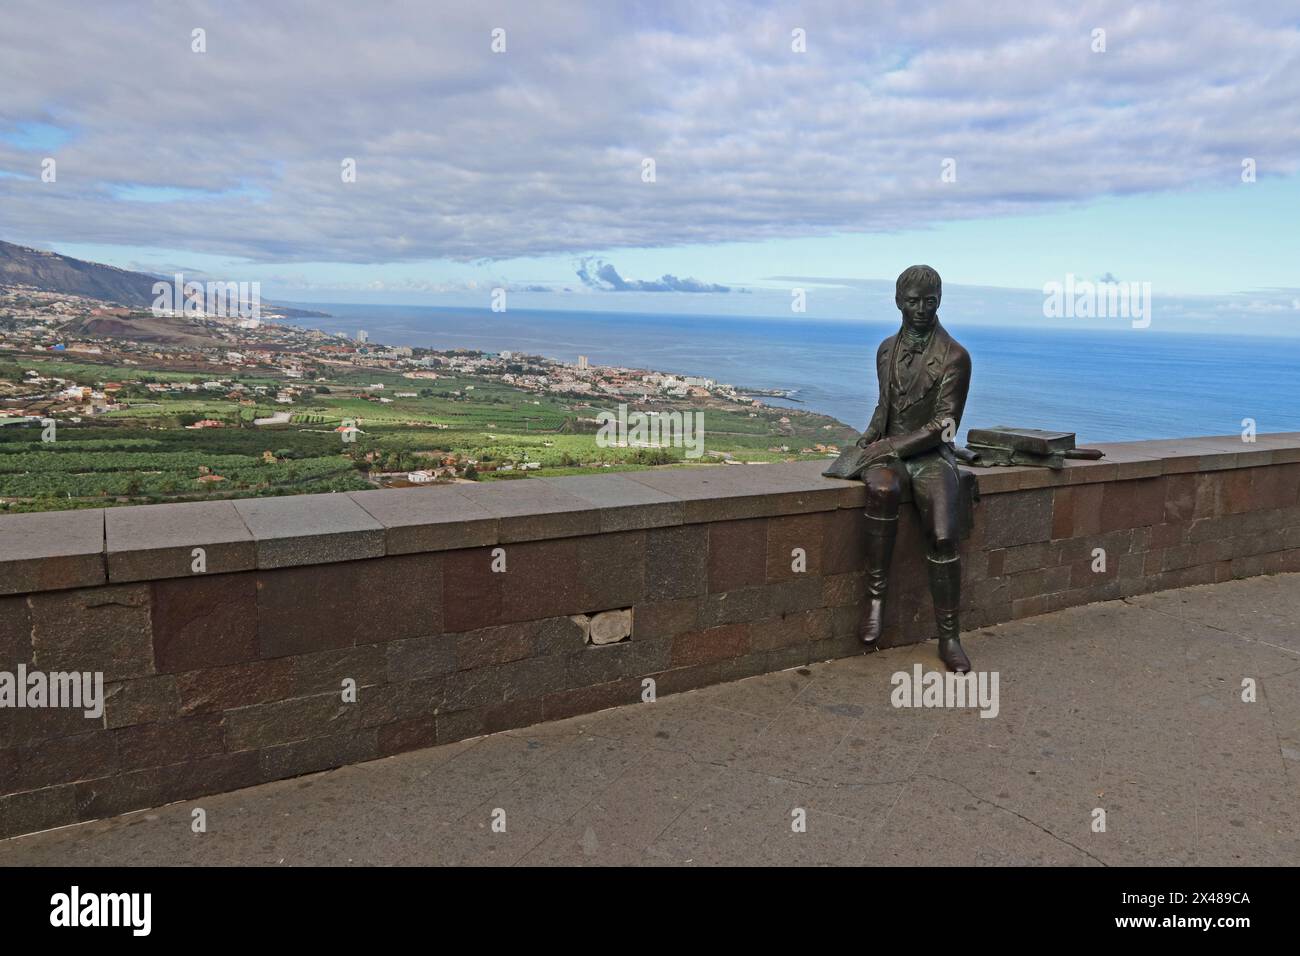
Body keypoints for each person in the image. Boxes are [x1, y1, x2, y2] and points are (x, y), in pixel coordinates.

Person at [853, 264, 972, 673]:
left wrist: (891, 444)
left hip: (930, 456)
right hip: (889, 451)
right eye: (912, 301)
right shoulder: (886, 348)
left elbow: (945, 425)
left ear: (940, 301)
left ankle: (949, 635)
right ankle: (875, 601)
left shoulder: (956, 356)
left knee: (942, 536)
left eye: (929, 301)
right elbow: (883, 406)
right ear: (898, 301)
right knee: (882, 492)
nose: (921, 309)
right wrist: (869, 438)